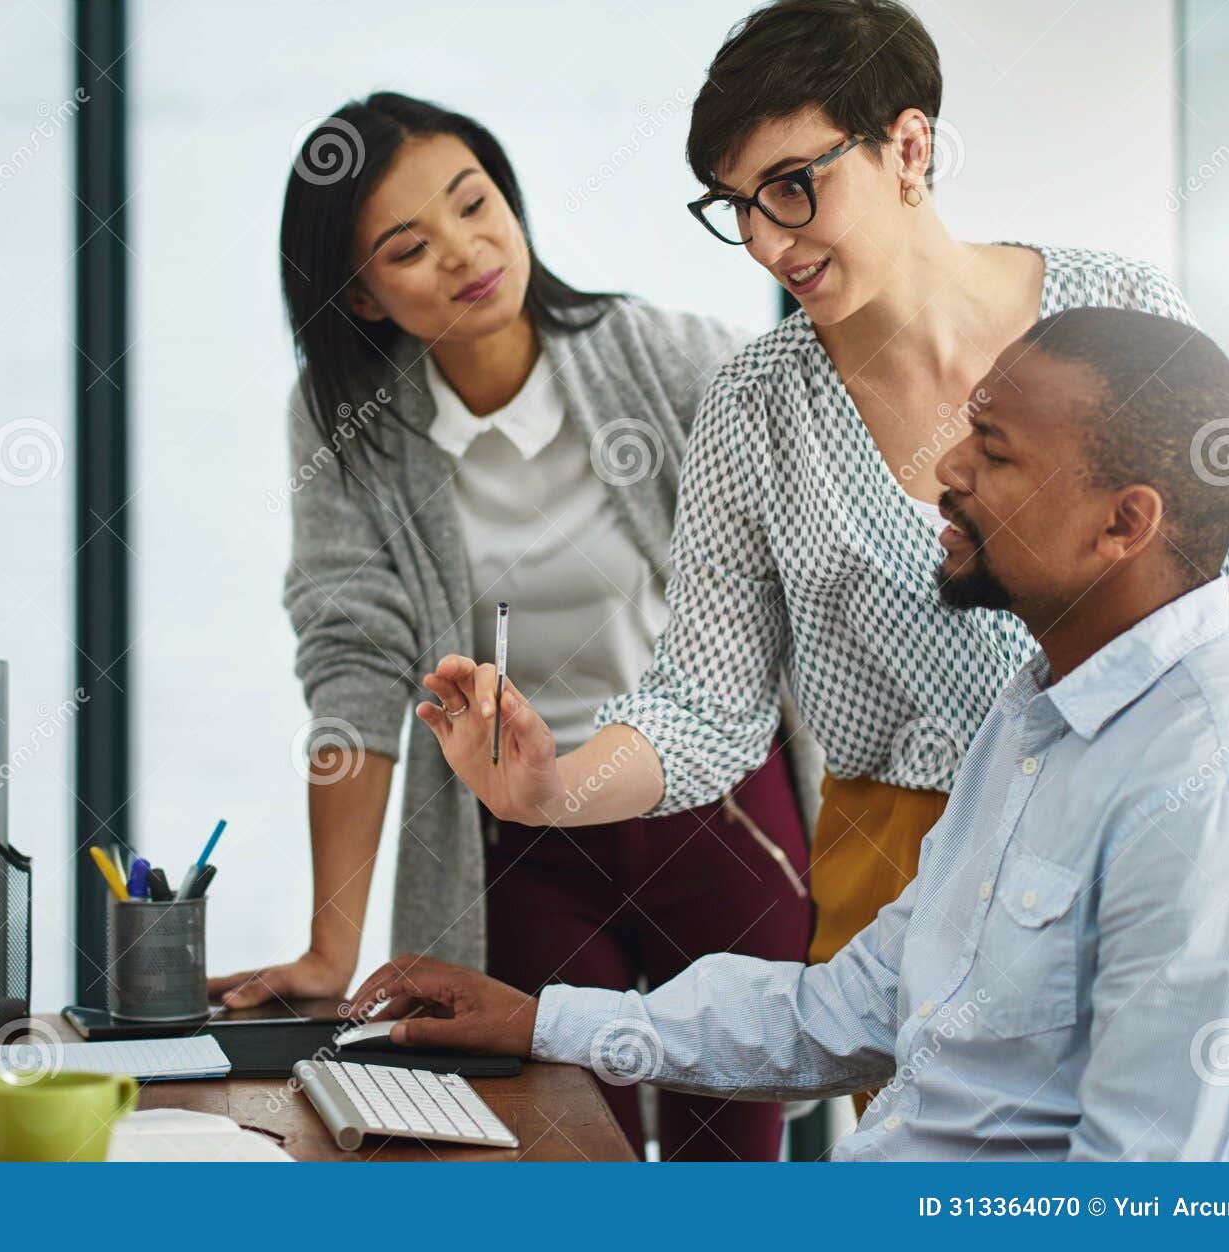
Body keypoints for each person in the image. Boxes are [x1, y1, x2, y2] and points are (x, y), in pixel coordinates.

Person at [411, 0, 1229, 1029]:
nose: (766, 242)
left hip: (1146, 826)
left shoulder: (1117, 316)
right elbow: (704, 707)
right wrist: (547, 789)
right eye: (734, 206)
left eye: (791, 187)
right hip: (901, 871)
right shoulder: (754, 405)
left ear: (908, 146)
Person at [348, 309, 1229, 1161]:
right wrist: (541, 1022)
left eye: (991, 453)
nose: (946, 471)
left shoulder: (1212, 777)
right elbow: (855, 1004)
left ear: (1125, 524)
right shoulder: (1034, 708)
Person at [206, 93, 817, 1160]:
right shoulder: (347, 423)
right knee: (560, 1152)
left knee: (734, 1165)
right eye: (408, 247)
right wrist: (327, 941)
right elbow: (354, 659)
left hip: (717, 816)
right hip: (525, 839)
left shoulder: (674, 361)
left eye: (474, 204)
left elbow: (822, 555)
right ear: (361, 298)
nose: (464, 252)